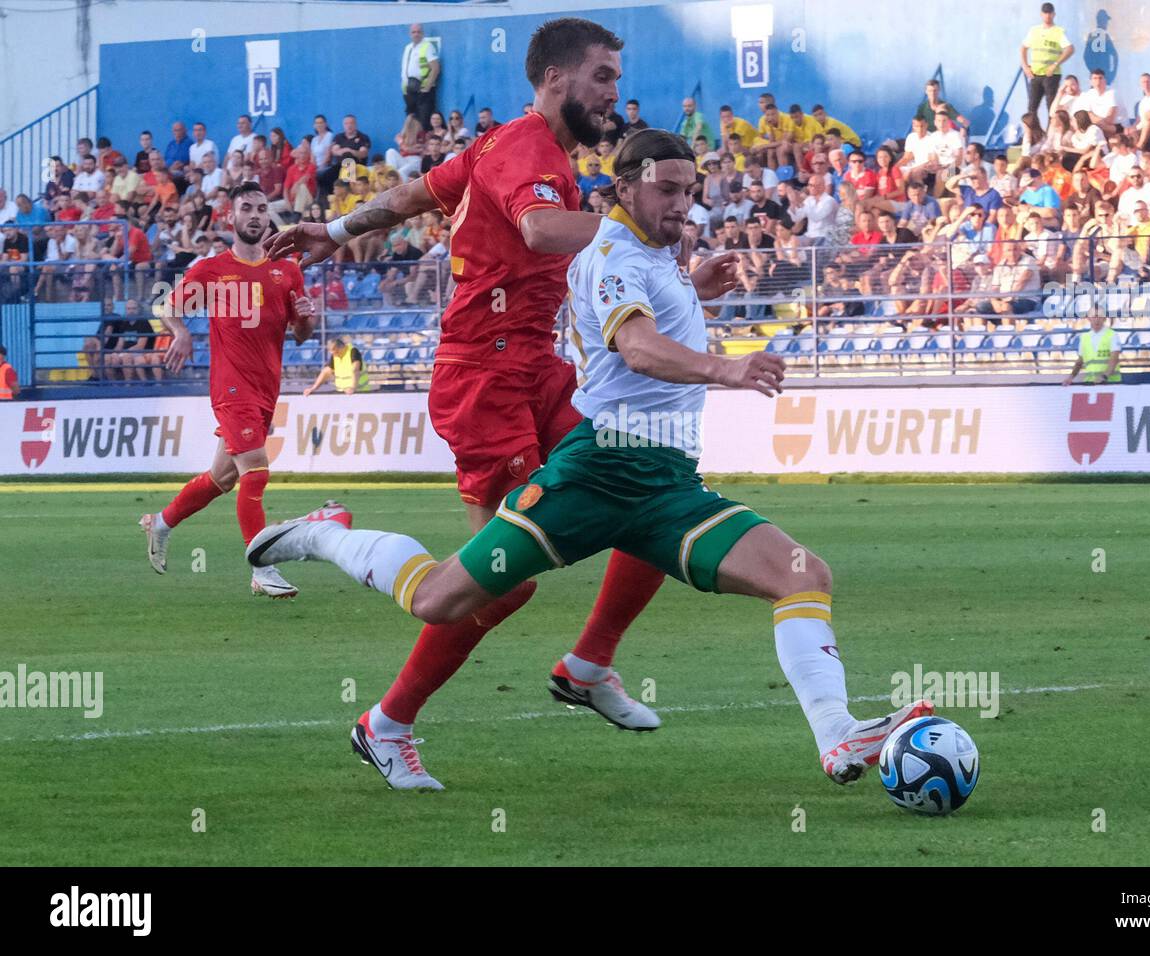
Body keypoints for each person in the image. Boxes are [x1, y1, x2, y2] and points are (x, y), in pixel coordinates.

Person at [248, 128, 933, 791]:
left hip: (667, 484)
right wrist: (725, 370)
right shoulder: (611, 253)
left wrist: (691, 287)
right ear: (624, 189)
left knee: (803, 573)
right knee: (441, 599)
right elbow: (635, 348)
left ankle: (837, 732)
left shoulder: (652, 253)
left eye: (690, 190)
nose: (682, 204)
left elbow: (638, 321)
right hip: (599, 470)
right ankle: (324, 534)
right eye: (667, 189)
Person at [264, 18, 743, 777]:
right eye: (603, 76)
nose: (614, 92)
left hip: (539, 369)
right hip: (483, 380)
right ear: (554, 79)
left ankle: (587, 665)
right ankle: (382, 706)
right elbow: (545, 229)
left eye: (616, 78)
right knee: (497, 584)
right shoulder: (526, 151)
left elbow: (416, 193)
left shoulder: (510, 147)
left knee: (655, 487)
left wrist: (335, 225)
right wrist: (655, 243)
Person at [140, 182, 316, 597]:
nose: (255, 215)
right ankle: (262, 568)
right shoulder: (212, 269)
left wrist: (307, 318)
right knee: (255, 470)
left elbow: (302, 334)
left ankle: (160, 522)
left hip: (266, 389)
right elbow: (167, 307)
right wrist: (180, 332)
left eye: (261, 209)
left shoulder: (288, 270)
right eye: (246, 209)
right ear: (231, 217)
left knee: (222, 478)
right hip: (230, 387)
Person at [1021, 2, 1075, 125]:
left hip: (1051, 75)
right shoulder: (1034, 30)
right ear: (1041, 14)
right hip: (1035, 74)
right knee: (1032, 107)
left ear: (1054, 14)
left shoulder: (1058, 31)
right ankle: (1034, 136)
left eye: (1050, 13)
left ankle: (1050, 135)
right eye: (1045, 13)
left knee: (1051, 107)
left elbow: (1070, 49)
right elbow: (1023, 48)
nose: (1048, 15)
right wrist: (1025, 66)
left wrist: (1055, 64)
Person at [1063, 308, 1122, 384]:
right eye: (1094, 316)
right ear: (1088, 318)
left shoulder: (1112, 335)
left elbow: (1114, 359)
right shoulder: (1084, 337)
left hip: (1110, 383)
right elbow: (1079, 361)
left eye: (1100, 316)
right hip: (1090, 383)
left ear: (1104, 318)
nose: (1097, 319)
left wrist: (1104, 376)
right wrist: (1070, 377)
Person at [401, 23, 440, 130]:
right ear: (410, 34)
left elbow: (435, 68)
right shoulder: (408, 48)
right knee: (411, 121)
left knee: (424, 121)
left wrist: (426, 88)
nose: (416, 34)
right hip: (410, 90)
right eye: (414, 32)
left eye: (418, 32)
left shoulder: (427, 46)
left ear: (422, 33)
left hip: (423, 90)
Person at [305, 338, 370, 395]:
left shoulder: (353, 352)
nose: (334, 355)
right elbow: (326, 372)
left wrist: (352, 387)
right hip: (342, 393)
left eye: (335, 353)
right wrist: (313, 388)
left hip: (359, 392)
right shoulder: (335, 356)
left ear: (340, 348)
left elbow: (355, 369)